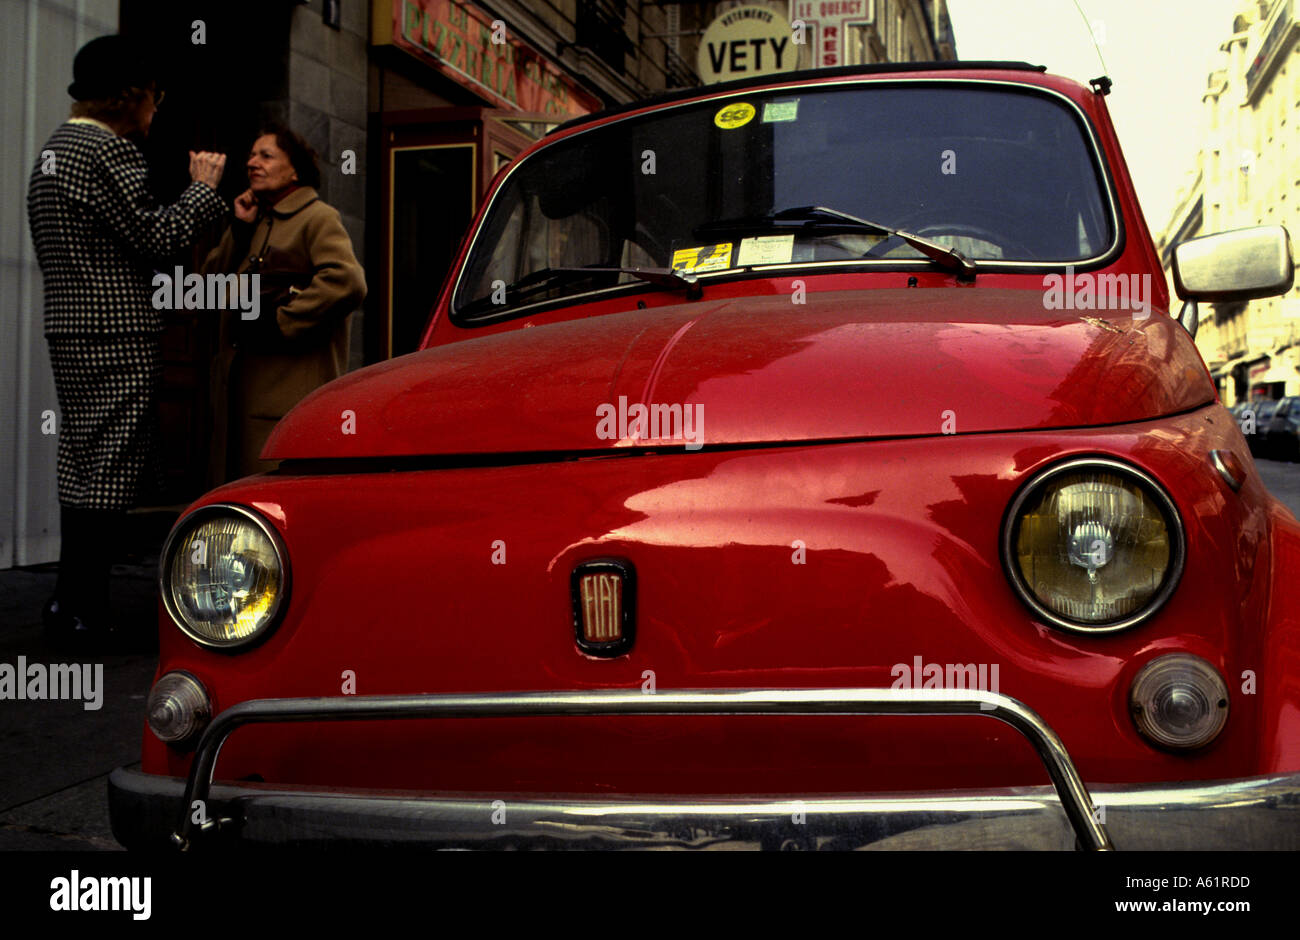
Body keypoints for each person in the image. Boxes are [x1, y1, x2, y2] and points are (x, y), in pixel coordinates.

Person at [26, 34, 228, 650]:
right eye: (154, 96)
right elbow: (156, 237)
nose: (156, 110)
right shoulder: (107, 150)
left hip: (72, 325)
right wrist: (201, 189)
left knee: (83, 465)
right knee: (107, 471)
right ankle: (83, 612)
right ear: (130, 95)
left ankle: (71, 604)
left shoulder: (56, 150)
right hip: (114, 330)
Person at [203, 125, 366, 481]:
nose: (252, 163)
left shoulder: (317, 217)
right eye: (250, 155)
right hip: (237, 404)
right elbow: (207, 286)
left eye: (266, 155)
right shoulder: (254, 220)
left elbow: (347, 281)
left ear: (295, 170)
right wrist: (240, 229)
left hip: (283, 406)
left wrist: (282, 321)